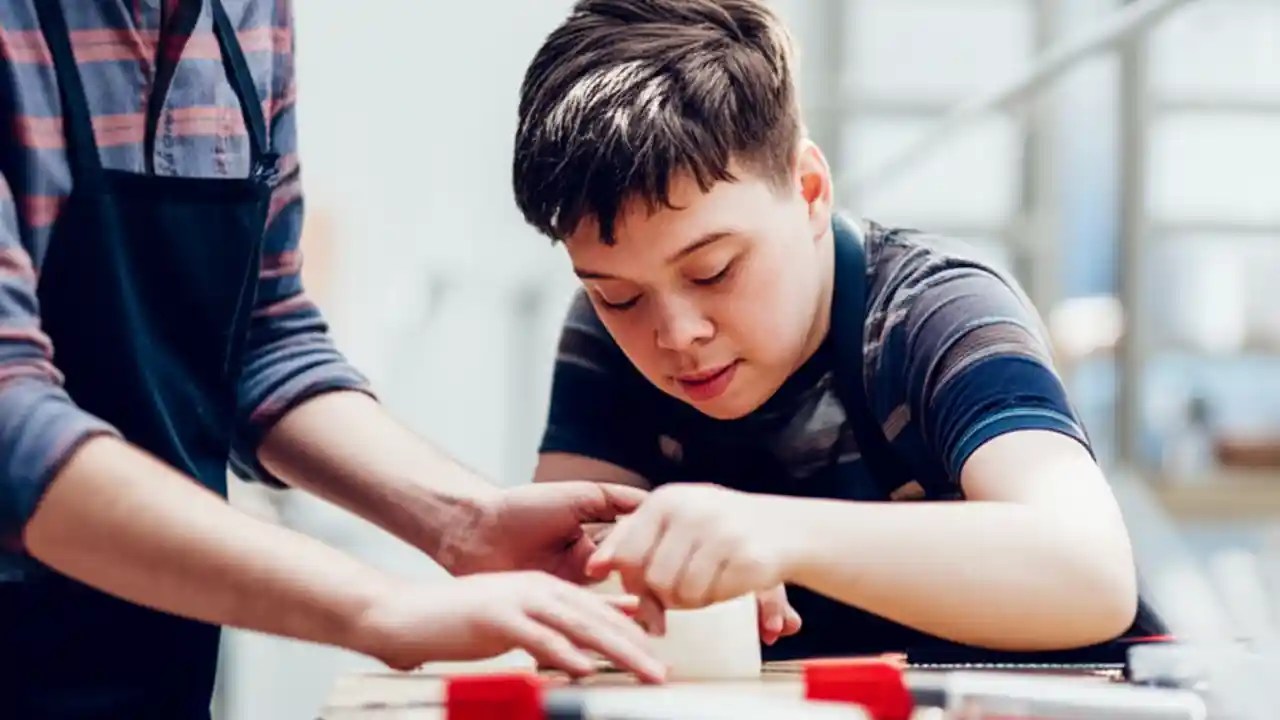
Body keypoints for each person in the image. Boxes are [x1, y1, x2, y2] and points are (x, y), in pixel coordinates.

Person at [0, 1, 665, 717]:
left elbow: (263, 333)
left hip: (151, 673)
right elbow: (12, 428)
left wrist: (468, 521)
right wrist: (382, 611)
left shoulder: (251, 17)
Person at [514, 0, 1164, 660]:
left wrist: (772, 531)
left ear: (809, 189)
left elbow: (1089, 573)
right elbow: (559, 587)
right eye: (617, 296)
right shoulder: (606, 344)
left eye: (714, 270)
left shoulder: (934, 310)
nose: (676, 334)